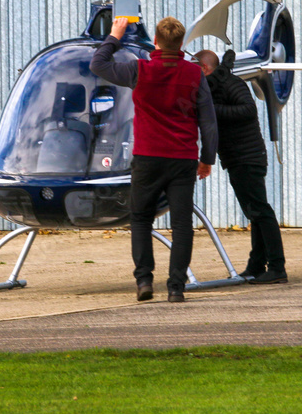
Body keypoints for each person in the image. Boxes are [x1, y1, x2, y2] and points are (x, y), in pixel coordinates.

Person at [91, 16, 218, 303]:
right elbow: (208, 120)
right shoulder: (194, 73)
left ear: (156, 42)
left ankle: (144, 281)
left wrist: (115, 36)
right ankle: (176, 287)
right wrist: (207, 158)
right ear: (181, 43)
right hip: (183, 158)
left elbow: (98, 65)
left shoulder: (139, 69)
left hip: (147, 157)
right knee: (182, 224)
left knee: (140, 218)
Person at [193, 49, 287, 284]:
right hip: (237, 158)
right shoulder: (216, 86)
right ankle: (256, 265)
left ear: (204, 68)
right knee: (255, 213)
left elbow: (248, 109)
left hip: (248, 157)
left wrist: (211, 109)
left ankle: (277, 268)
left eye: (195, 69)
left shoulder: (231, 83)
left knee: (261, 211)